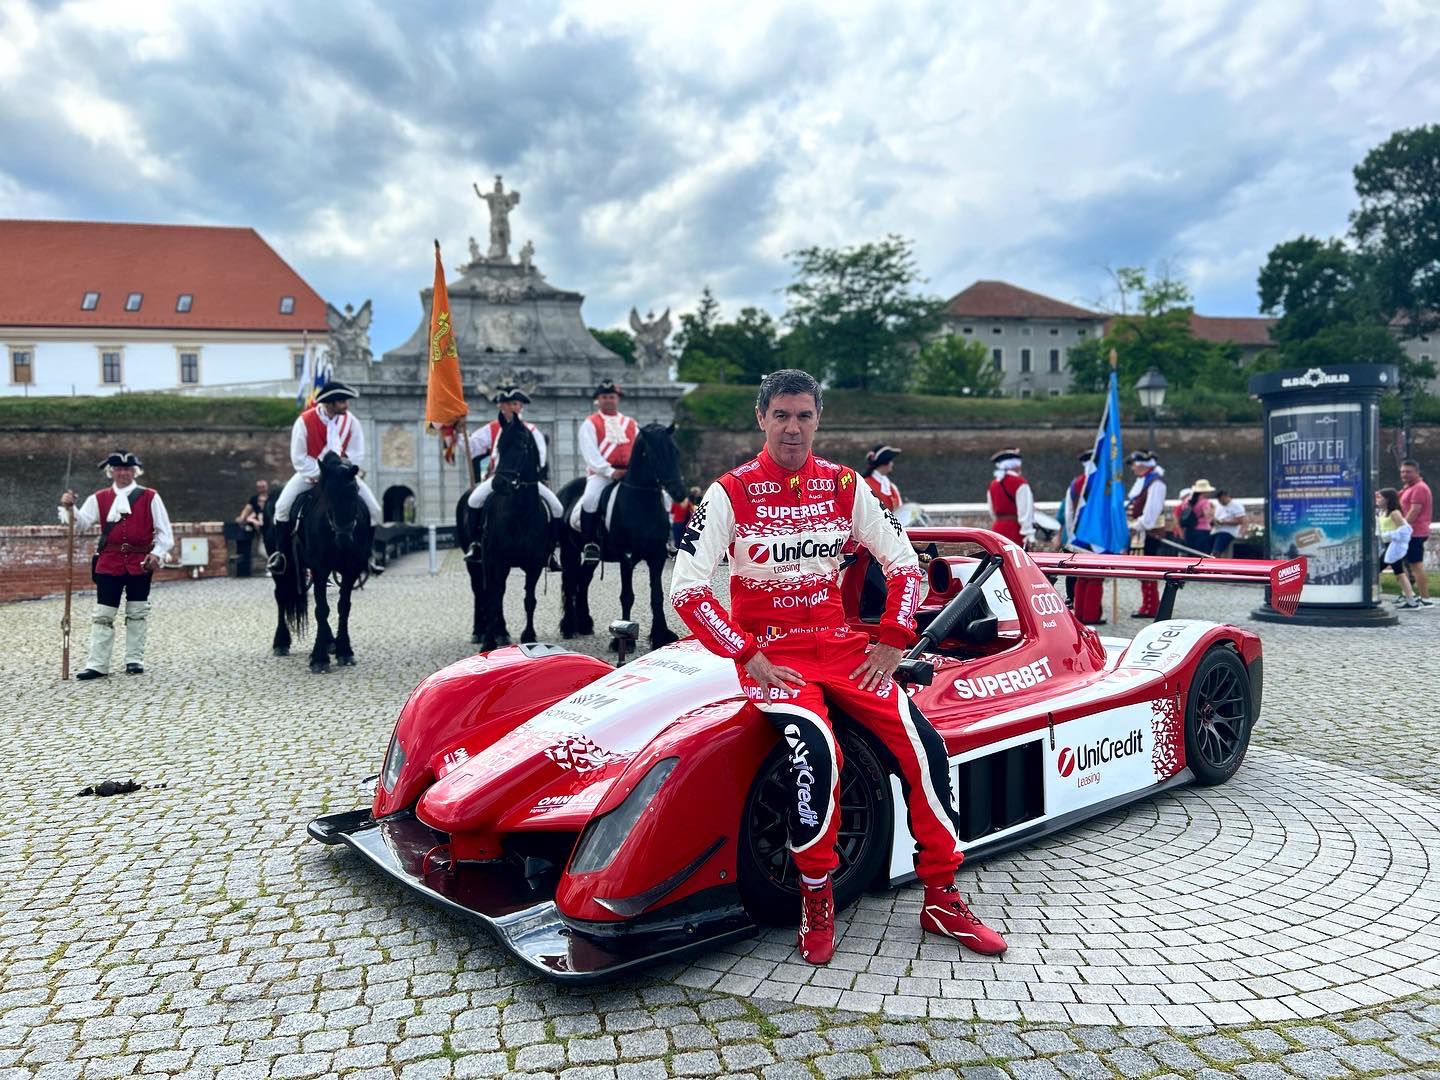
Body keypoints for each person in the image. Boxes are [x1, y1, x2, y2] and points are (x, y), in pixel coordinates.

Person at [669, 368, 1006, 966]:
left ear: (818, 419)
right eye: (781, 416)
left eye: (803, 416)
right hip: (775, 659)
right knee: (820, 755)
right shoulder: (729, 491)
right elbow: (687, 591)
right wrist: (747, 653)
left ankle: (942, 897)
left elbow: (904, 564)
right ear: (761, 419)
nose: (792, 428)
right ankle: (816, 899)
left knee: (926, 746)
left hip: (847, 650)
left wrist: (894, 640)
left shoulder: (847, 484)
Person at [59, 450, 174, 679]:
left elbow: (165, 533)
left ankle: (134, 660)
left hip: (139, 562)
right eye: (119, 469)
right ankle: (97, 664)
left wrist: (157, 554)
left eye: (128, 469)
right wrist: (70, 508)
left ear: (135, 471)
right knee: (103, 614)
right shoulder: (99, 498)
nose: (123, 473)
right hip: (108, 563)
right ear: (111, 471)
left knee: (137, 612)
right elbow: (80, 525)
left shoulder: (150, 496)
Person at [269, 380, 384, 576]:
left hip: (342, 477)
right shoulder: (304, 421)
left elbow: (356, 453)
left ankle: (367, 555)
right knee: (282, 507)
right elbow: (298, 456)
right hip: (311, 474)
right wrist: (321, 475)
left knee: (374, 509)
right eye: (342, 401)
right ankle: (282, 555)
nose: (346, 405)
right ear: (330, 403)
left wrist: (340, 473)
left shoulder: (351, 422)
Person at [464, 386, 565, 541]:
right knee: (474, 500)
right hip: (500, 477)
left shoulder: (531, 430)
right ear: (501, 406)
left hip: (527, 481)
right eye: (507, 403)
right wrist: (458, 432)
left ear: (520, 406)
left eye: (515, 403)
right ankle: (476, 543)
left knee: (557, 508)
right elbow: (471, 447)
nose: (511, 407)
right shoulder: (493, 428)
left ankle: (550, 549)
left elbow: (542, 457)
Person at [577, 378, 638, 564]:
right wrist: (609, 471)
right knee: (590, 499)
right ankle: (590, 544)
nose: (608, 400)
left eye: (611, 396)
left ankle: (660, 540)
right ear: (598, 400)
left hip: (629, 474)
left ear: (617, 399)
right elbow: (590, 453)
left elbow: (640, 449)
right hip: (602, 474)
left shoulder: (631, 423)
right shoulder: (590, 423)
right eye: (604, 397)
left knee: (658, 496)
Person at [1062, 450, 1105, 624]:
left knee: (1081, 575)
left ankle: (1080, 613)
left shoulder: (1076, 483)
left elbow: (1069, 511)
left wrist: (1072, 533)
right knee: (1094, 576)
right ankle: (1091, 615)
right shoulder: (1101, 483)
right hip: (1097, 535)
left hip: (1078, 533)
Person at [1126, 450, 1167, 617]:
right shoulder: (1145, 481)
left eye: (1133, 465)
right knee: (1142, 571)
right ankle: (1148, 604)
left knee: (1148, 571)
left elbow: (1151, 512)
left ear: (1142, 465)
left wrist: (1138, 524)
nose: (1132, 469)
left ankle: (1151, 606)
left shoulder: (1156, 483)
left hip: (1148, 532)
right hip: (1140, 532)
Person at [1376, 487, 1420, 609]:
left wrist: (1389, 535)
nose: (1377, 499)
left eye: (1380, 497)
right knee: (1399, 573)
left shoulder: (1395, 513)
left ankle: (1373, 595)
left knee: (1375, 571)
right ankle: (1411, 601)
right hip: (1387, 546)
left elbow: (1405, 530)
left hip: (1393, 547)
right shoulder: (1381, 512)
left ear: (1387, 499)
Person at [1399, 459, 1432, 605]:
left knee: (1415, 565)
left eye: (1408, 472)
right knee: (1401, 564)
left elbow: (1414, 511)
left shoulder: (1419, 488)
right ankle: (1408, 594)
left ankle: (1424, 598)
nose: (1404, 474)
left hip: (1414, 533)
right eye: (1402, 472)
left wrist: (1402, 528)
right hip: (1410, 532)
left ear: (1417, 472)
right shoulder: (1409, 487)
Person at [986, 448, 1034, 547]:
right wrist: (1029, 535)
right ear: (1016, 465)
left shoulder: (993, 484)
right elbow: (1025, 513)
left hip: (996, 531)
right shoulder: (1020, 483)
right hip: (1015, 532)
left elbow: (991, 511)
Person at [233, 479, 269, 577]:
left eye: (263, 486)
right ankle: (271, 566)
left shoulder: (271, 498)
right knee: (262, 550)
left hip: (270, 528)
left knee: (264, 549)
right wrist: (242, 518)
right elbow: (247, 509)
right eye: (259, 487)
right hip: (262, 529)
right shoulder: (254, 499)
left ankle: (272, 566)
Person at [1178, 478, 1215, 554]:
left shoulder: (1187, 500)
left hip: (1188, 530)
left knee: (1191, 553)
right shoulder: (1205, 502)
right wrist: (1213, 509)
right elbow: (1208, 516)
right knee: (1201, 554)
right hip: (1202, 530)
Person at [862, 444, 903, 512]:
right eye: (890, 461)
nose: (892, 464)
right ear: (884, 462)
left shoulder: (892, 487)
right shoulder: (865, 485)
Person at [1209, 490, 1247, 557]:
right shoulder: (1219, 506)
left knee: (1217, 548)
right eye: (1219, 500)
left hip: (1228, 531)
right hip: (1216, 530)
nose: (1221, 502)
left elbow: (1241, 521)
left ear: (1227, 497)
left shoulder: (1236, 506)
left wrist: (1225, 522)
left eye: (1222, 499)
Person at [669, 486, 700, 553]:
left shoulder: (675, 502)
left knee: (676, 539)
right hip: (684, 523)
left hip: (676, 522)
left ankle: (677, 552)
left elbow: (672, 511)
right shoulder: (687, 501)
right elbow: (693, 509)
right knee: (683, 538)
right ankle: (682, 552)